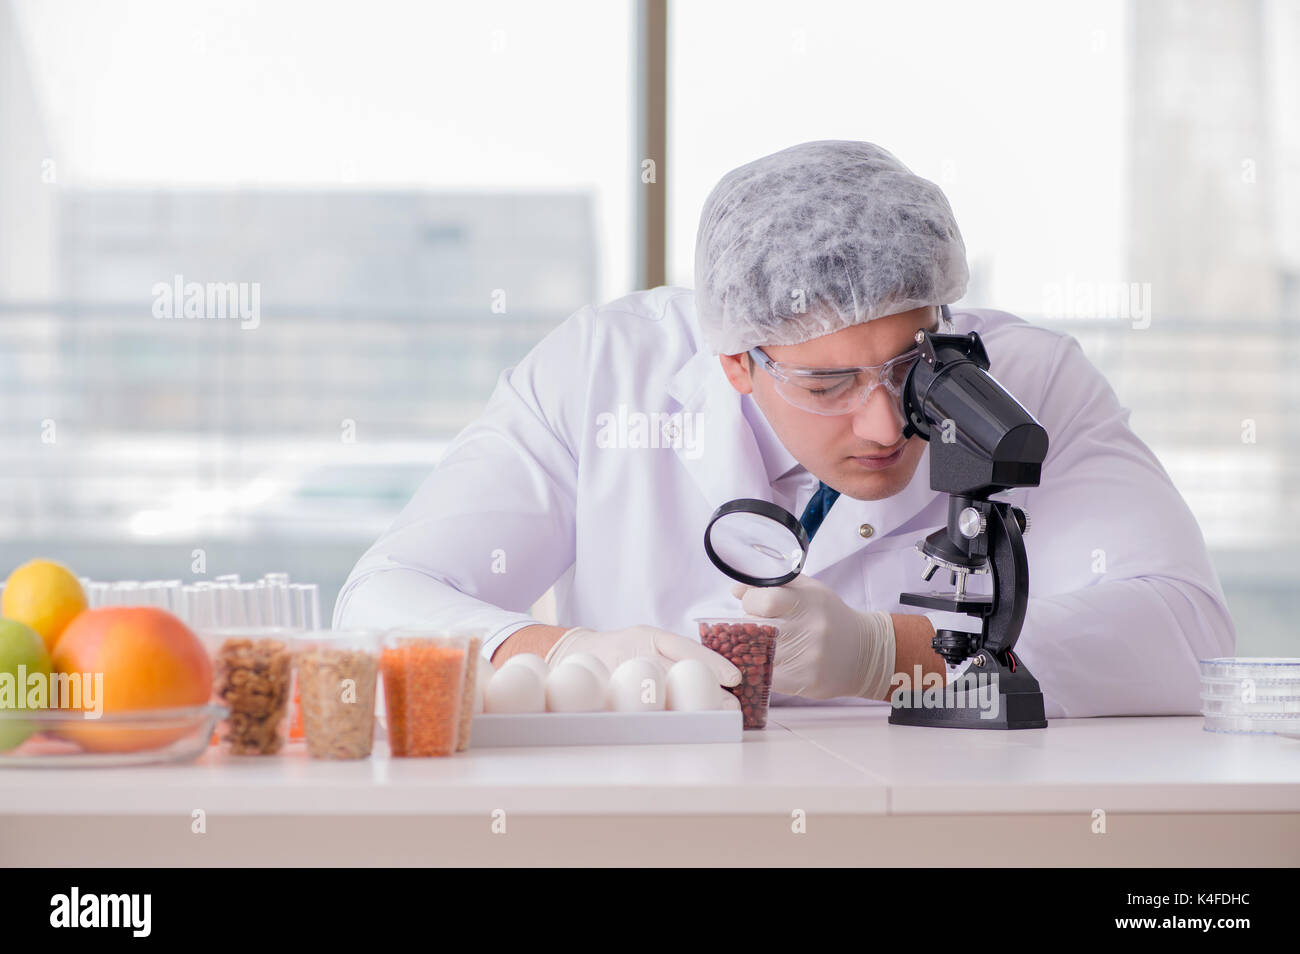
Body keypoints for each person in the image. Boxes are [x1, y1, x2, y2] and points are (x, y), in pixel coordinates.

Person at [335, 140, 1235, 718]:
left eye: (911, 363)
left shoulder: (1032, 380)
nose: (883, 421)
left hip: (941, 818)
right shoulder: (603, 376)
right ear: (735, 359)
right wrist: (571, 656)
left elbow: (1190, 632)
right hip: (663, 826)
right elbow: (381, 598)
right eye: (827, 381)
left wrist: (891, 654)